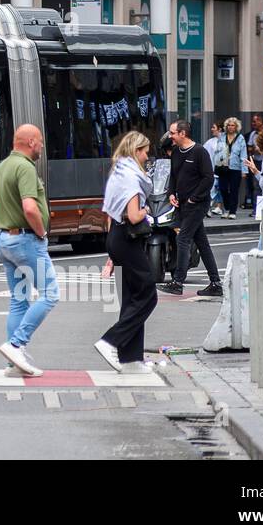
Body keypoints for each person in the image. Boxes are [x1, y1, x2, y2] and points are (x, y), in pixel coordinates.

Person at [0, 124, 58, 376]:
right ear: (30, 142)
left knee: (19, 301)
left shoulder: (4, 166)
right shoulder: (25, 167)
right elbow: (30, 208)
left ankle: (13, 362)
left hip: (4, 239)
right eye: (40, 141)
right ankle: (16, 345)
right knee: (50, 294)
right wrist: (41, 233)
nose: (41, 146)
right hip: (26, 240)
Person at [94, 131, 157, 375]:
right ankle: (110, 341)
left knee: (132, 297)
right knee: (148, 293)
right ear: (136, 151)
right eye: (145, 151)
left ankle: (131, 359)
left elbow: (110, 213)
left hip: (117, 238)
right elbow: (133, 215)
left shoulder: (117, 173)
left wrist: (111, 254)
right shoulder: (131, 177)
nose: (147, 155)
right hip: (128, 239)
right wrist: (146, 209)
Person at [157, 119, 222, 296]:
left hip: (197, 204)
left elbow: (208, 178)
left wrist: (195, 198)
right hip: (182, 204)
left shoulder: (199, 152)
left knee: (183, 238)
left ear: (182, 134)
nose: (170, 136)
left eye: (172, 133)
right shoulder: (177, 152)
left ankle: (178, 282)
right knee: (202, 243)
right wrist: (171, 193)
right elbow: (174, 175)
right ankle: (215, 282)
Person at [213, 117, 247, 220]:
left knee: (234, 190)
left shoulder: (240, 138)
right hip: (223, 166)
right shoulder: (222, 137)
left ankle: (232, 211)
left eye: (233, 125)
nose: (230, 127)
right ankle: (226, 208)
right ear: (226, 127)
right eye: (229, 125)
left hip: (235, 167)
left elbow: (243, 155)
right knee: (223, 188)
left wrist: (244, 170)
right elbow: (217, 152)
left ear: (236, 127)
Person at [244, 114, 263, 213]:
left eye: (256, 121)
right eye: (253, 121)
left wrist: (262, 149)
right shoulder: (253, 134)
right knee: (256, 185)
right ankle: (256, 209)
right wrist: (254, 150)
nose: (254, 123)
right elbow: (249, 148)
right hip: (257, 162)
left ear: (262, 122)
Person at [203, 122, 224, 216]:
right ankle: (210, 207)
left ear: (219, 129)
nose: (212, 129)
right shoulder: (210, 142)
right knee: (213, 188)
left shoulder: (225, 140)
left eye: (213, 127)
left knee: (219, 188)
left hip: (222, 169)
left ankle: (217, 207)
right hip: (212, 169)